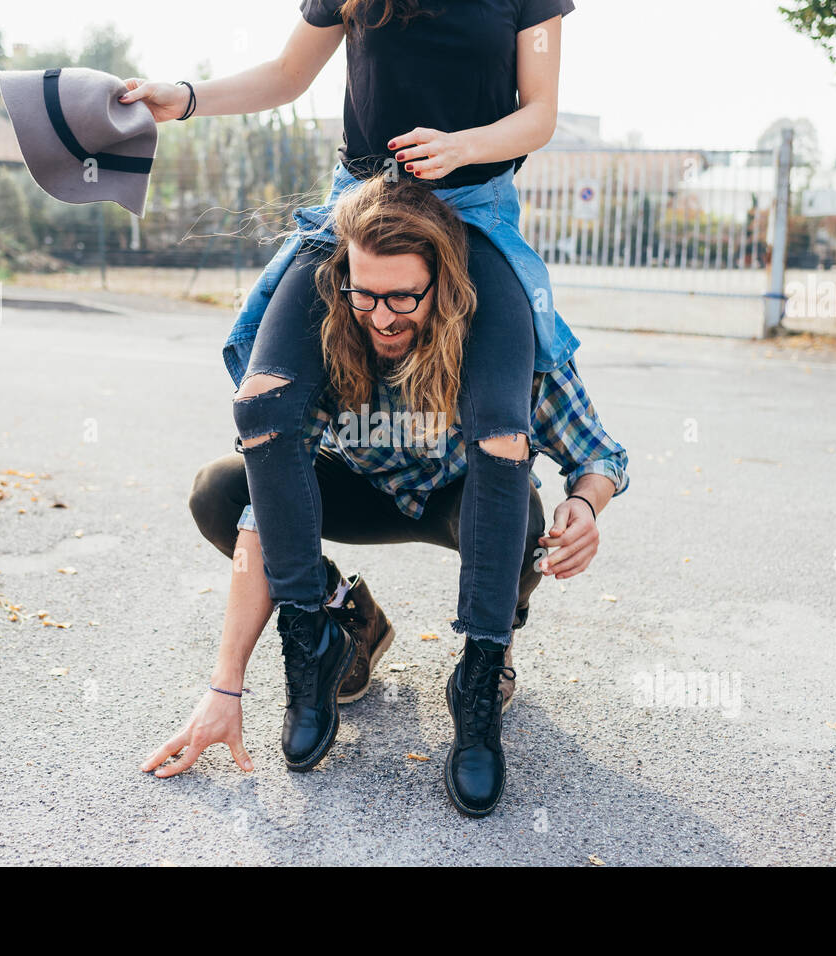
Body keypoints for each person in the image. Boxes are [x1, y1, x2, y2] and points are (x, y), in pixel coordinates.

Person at [121, 3, 583, 745]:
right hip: (361, 213)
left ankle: (479, 680)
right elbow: (286, 73)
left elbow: (539, 115)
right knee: (264, 407)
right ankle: (314, 646)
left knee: (501, 429)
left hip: (473, 207)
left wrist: (461, 148)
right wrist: (187, 97)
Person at [141, 176, 628, 817]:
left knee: (525, 511)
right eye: (365, 295)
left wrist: (587, 505)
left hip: (459, 500)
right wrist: (225, 684)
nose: (382, 317)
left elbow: (599, 456)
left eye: (402, 297)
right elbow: (271, 501)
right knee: (221, 493)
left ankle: (484, 669)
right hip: (358, 490)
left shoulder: (503, 333)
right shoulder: (331, 327)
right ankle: (341, 623)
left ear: (443, 283)